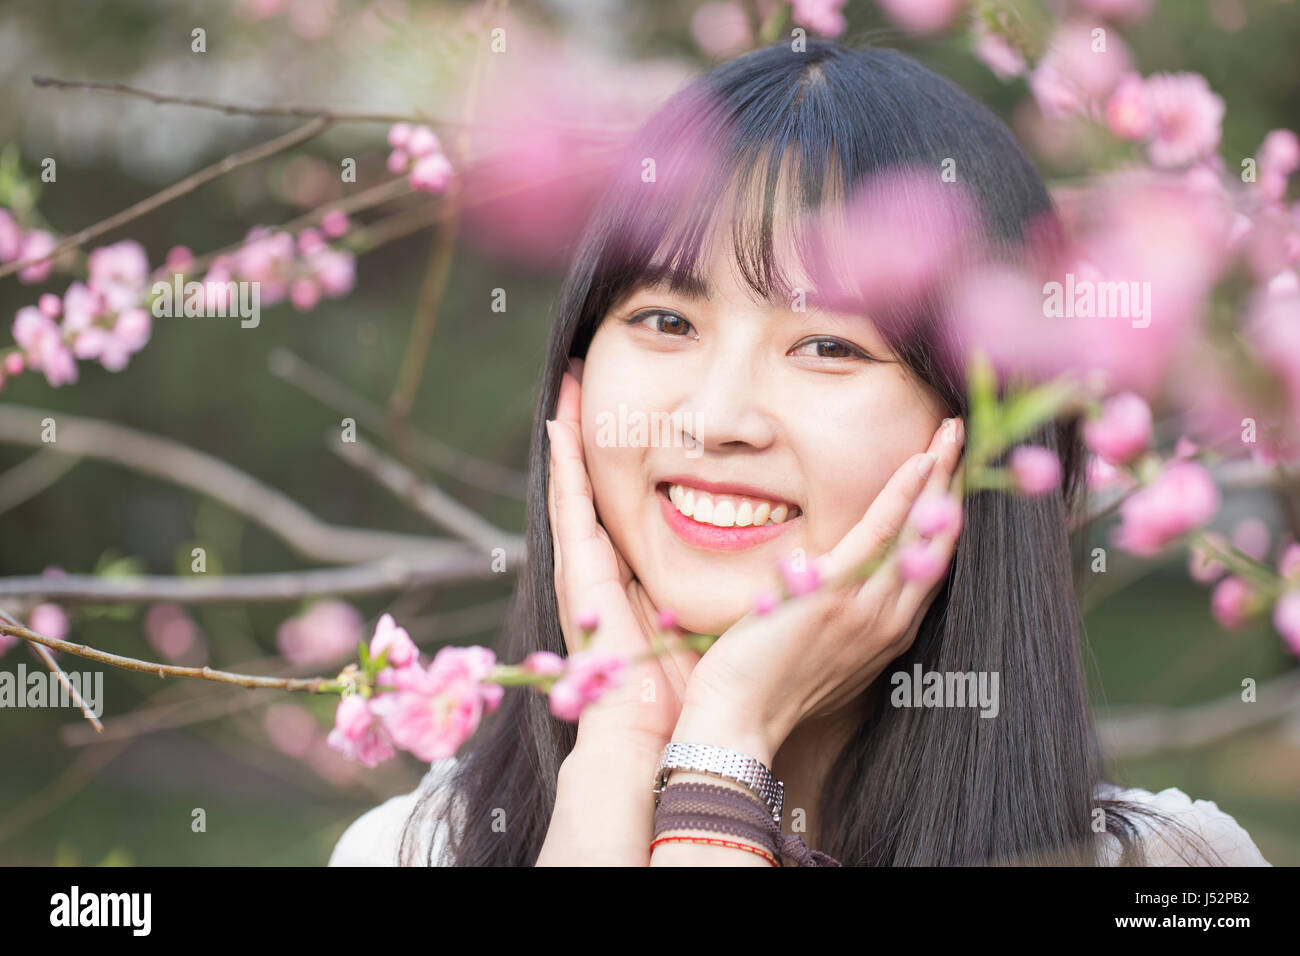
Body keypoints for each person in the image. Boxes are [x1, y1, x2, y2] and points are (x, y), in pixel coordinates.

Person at [330, 38, 1270, 867]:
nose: (717, 416)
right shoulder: (409, 853)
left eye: (829, 345)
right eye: (664, 319)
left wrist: (720, 758)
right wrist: (617, 747)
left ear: (982, 427)